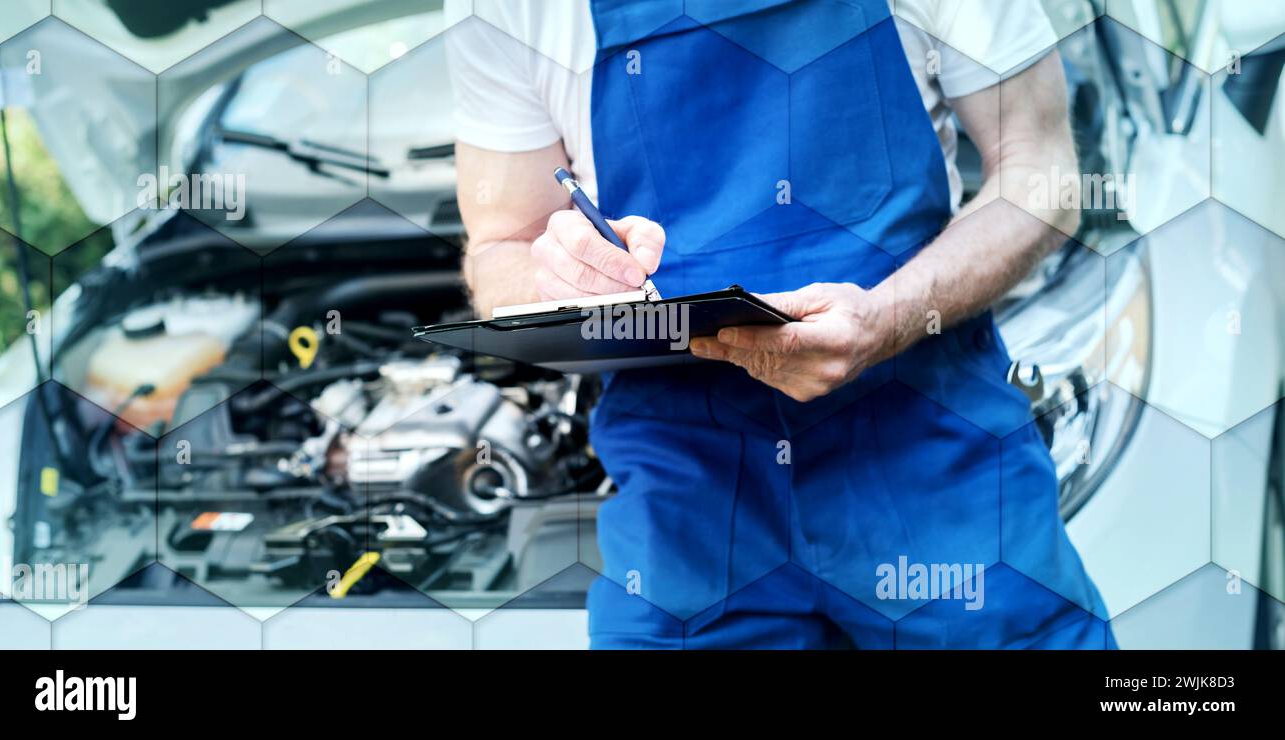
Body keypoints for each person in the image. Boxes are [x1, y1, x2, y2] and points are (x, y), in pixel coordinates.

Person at [446, 0, 1111, 648]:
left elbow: (1041, 176)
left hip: (935, 458)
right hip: (689, 505)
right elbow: (503, 245)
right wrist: (560, 276)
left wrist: (889, 317)